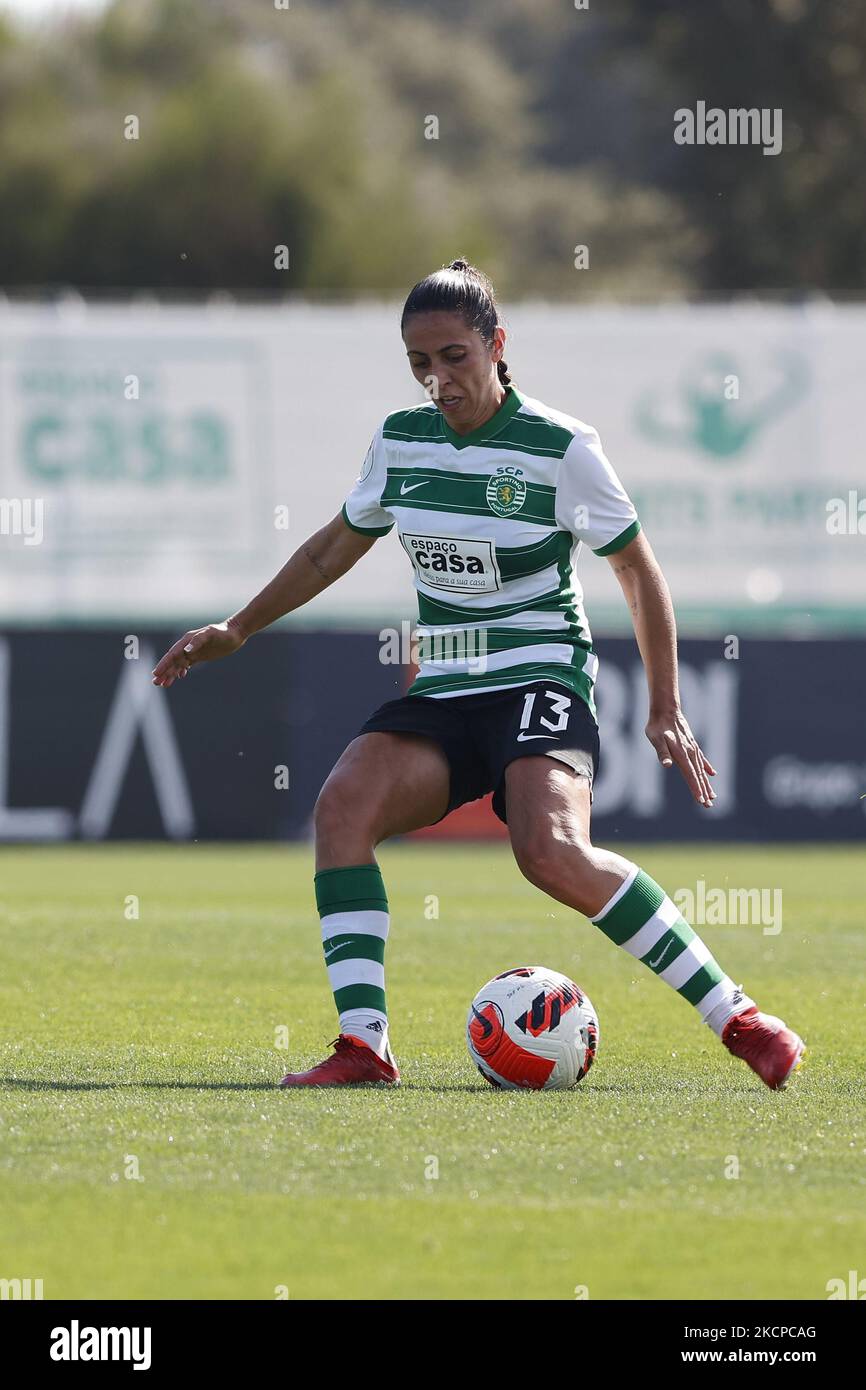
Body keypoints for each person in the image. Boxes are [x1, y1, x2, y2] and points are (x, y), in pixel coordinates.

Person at [153, 259, 804, 1092]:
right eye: (421, 363)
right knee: (342, 810)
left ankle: (740, 1019)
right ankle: (365, 1047)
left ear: (498, 345)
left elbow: (639, 574)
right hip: (447, 685)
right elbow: (329, 548)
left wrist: (666, 703)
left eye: (454, 356)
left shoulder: (561, 448)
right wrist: (237, 628)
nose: (438, 378)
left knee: (551, 852)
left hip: (540, 675)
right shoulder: (401, 440)